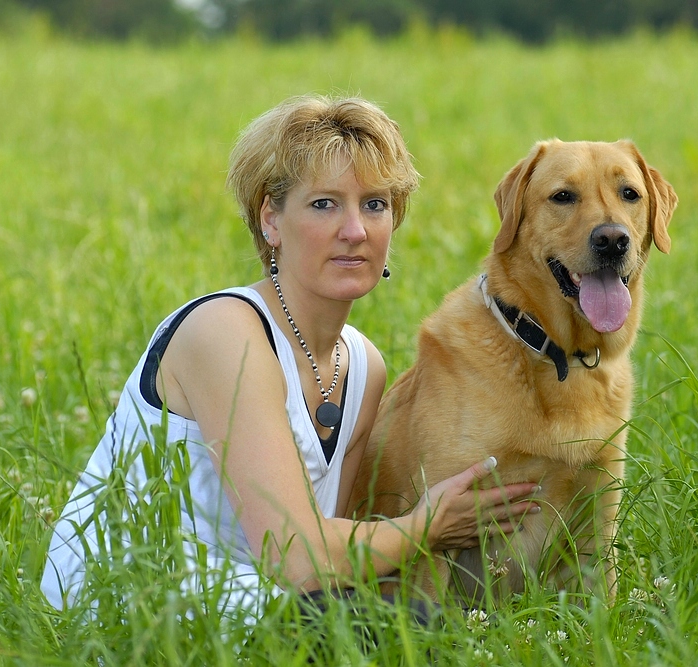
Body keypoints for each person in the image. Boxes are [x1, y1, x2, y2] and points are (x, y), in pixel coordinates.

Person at [40, 94, 541, 624]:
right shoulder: (227, 332)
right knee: (407, 631)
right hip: (131, 608)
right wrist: (427, 526)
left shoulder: (364, 368)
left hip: (253, 607)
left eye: (375, 204)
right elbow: (298, 559)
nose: (355, 230)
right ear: (271, 220)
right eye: (324, 204)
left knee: (423, 627)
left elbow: (333, 559)